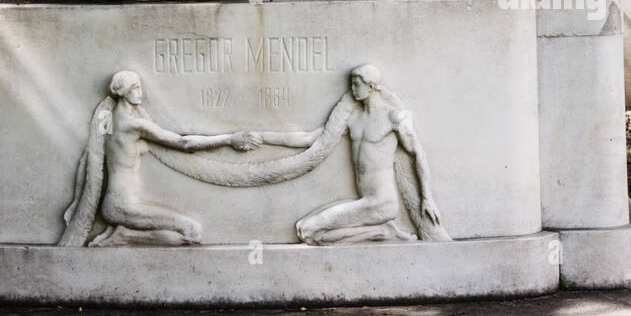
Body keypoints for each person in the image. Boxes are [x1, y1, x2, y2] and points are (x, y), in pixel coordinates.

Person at [59, 70, 261, 246]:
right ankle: (124, 237)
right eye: (136, 87)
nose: (141, 92)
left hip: (120, 204)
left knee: (190, 231)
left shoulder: (109, 121)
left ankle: (124, 235)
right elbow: (184, 143)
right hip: (123, 205)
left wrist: (77, 200)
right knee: (193, 232)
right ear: (124, 92)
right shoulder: (134, 125)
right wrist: (229, 139)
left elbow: (90, 161)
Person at [259, 64, 450, 244]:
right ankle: (381, 232)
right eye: (351, 83)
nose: (352, 88)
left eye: (356, 84)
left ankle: (384, 232)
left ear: (371, 86)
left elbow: (418, 154)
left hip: (382, 202)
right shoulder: (353, 118)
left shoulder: (393, 117)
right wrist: (262, 137)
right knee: (303, 229)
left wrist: (427, 198)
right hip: (366, 202)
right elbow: (308, 139)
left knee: (308, 231)